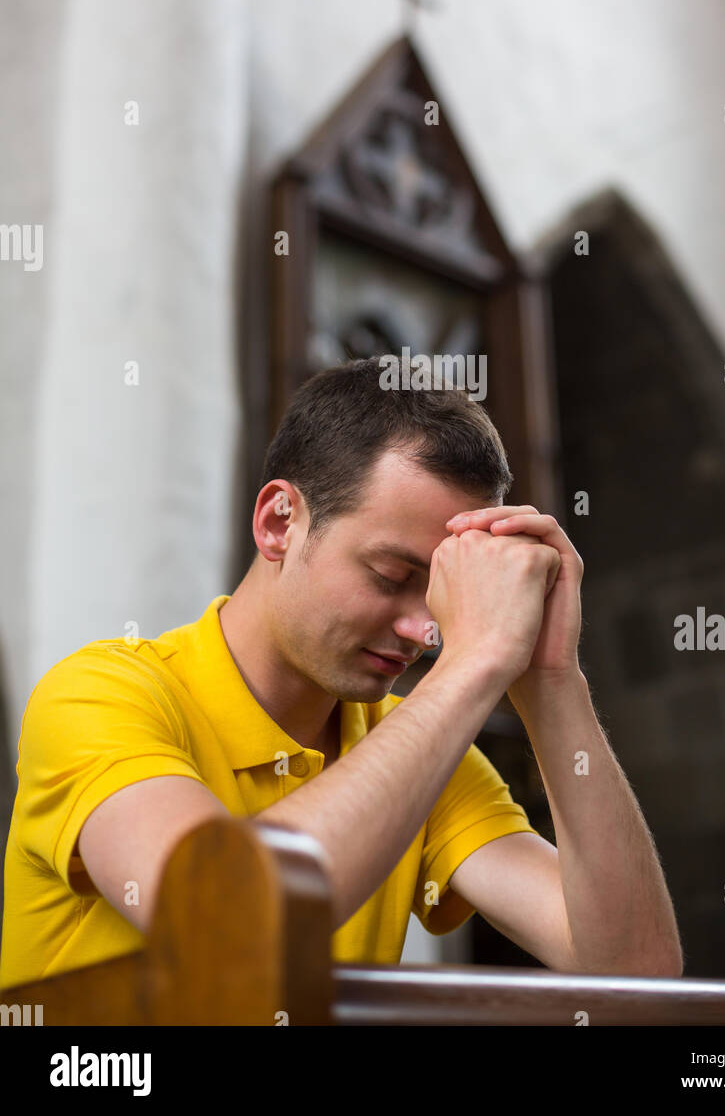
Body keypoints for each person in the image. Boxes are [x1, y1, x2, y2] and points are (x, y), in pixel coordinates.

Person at [0, 357, 682, 989]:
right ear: (278, 522)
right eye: (392, 575)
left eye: (440, 589)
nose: (428, 630)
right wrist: (474, 664)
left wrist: (552, 677)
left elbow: (633, 973)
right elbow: (223, 922)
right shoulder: (97, 695)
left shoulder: (420, 752)